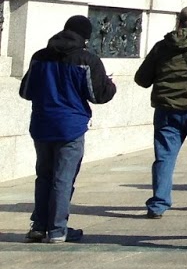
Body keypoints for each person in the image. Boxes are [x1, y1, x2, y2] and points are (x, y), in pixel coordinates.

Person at [19, 14, 116, 242]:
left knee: (44, 176)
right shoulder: (87, 60)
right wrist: (110, 84)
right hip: (70, 126)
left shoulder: (39, 57)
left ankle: (39, 225)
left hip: (42, 124)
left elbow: (25, 91)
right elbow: (98, 96)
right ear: (86, 37)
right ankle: (57, 229)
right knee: (63, 178)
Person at [134, 4, 187, 218]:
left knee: (164, 157)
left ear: (178, 23)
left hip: (167, 110)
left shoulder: (162, 47)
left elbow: (141, 79)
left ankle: (159, 204)